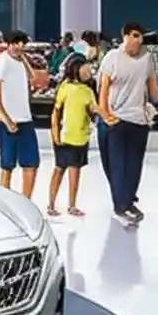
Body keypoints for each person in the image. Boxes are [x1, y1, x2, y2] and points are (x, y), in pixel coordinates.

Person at [96, 22, 158, 226]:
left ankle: (128, 202)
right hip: (116, 119)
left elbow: (153, 87)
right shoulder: (112, 58)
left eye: (140, 36)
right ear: (125, 36)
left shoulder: (147, 58)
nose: (138, 40)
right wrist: (107, 116)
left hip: (138, 119)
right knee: (115, 166)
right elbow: (103, 89)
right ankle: (120, 204)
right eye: (134, 35)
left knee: (134, 165)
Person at [0, 30, 39, 198]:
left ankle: (26, 200)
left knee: (31, 163)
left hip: (25, 118)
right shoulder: (1, 61)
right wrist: (3, 116)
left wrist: (23, 58)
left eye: (22, 44)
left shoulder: (19, 62)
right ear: (9, 44)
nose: (19, 46)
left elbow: (34, 78)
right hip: (9, 120)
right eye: (16, 43)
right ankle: (5, 201)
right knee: (7, 165)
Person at [47, 55, 96, 217]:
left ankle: (72, 205)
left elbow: (92, 110)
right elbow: (56, 111)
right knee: (59, 169)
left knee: (76, 170)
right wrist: (55, 133)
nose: (88, 70)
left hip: (81, 137)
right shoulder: (65, 87)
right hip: (64, 135)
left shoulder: (89, 90)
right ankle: (51, 204)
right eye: (85, 67)